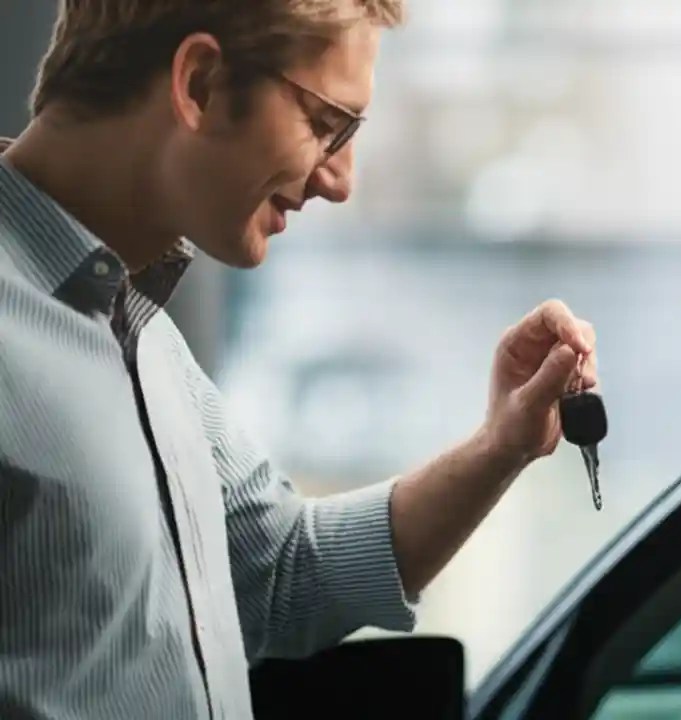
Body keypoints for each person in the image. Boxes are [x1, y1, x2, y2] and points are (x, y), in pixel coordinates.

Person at [0, 1, 599, 717]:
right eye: (325, 124)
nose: (340, 179)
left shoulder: (141, 332)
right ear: (199, 83)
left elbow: (280, 574)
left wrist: (500, 446)